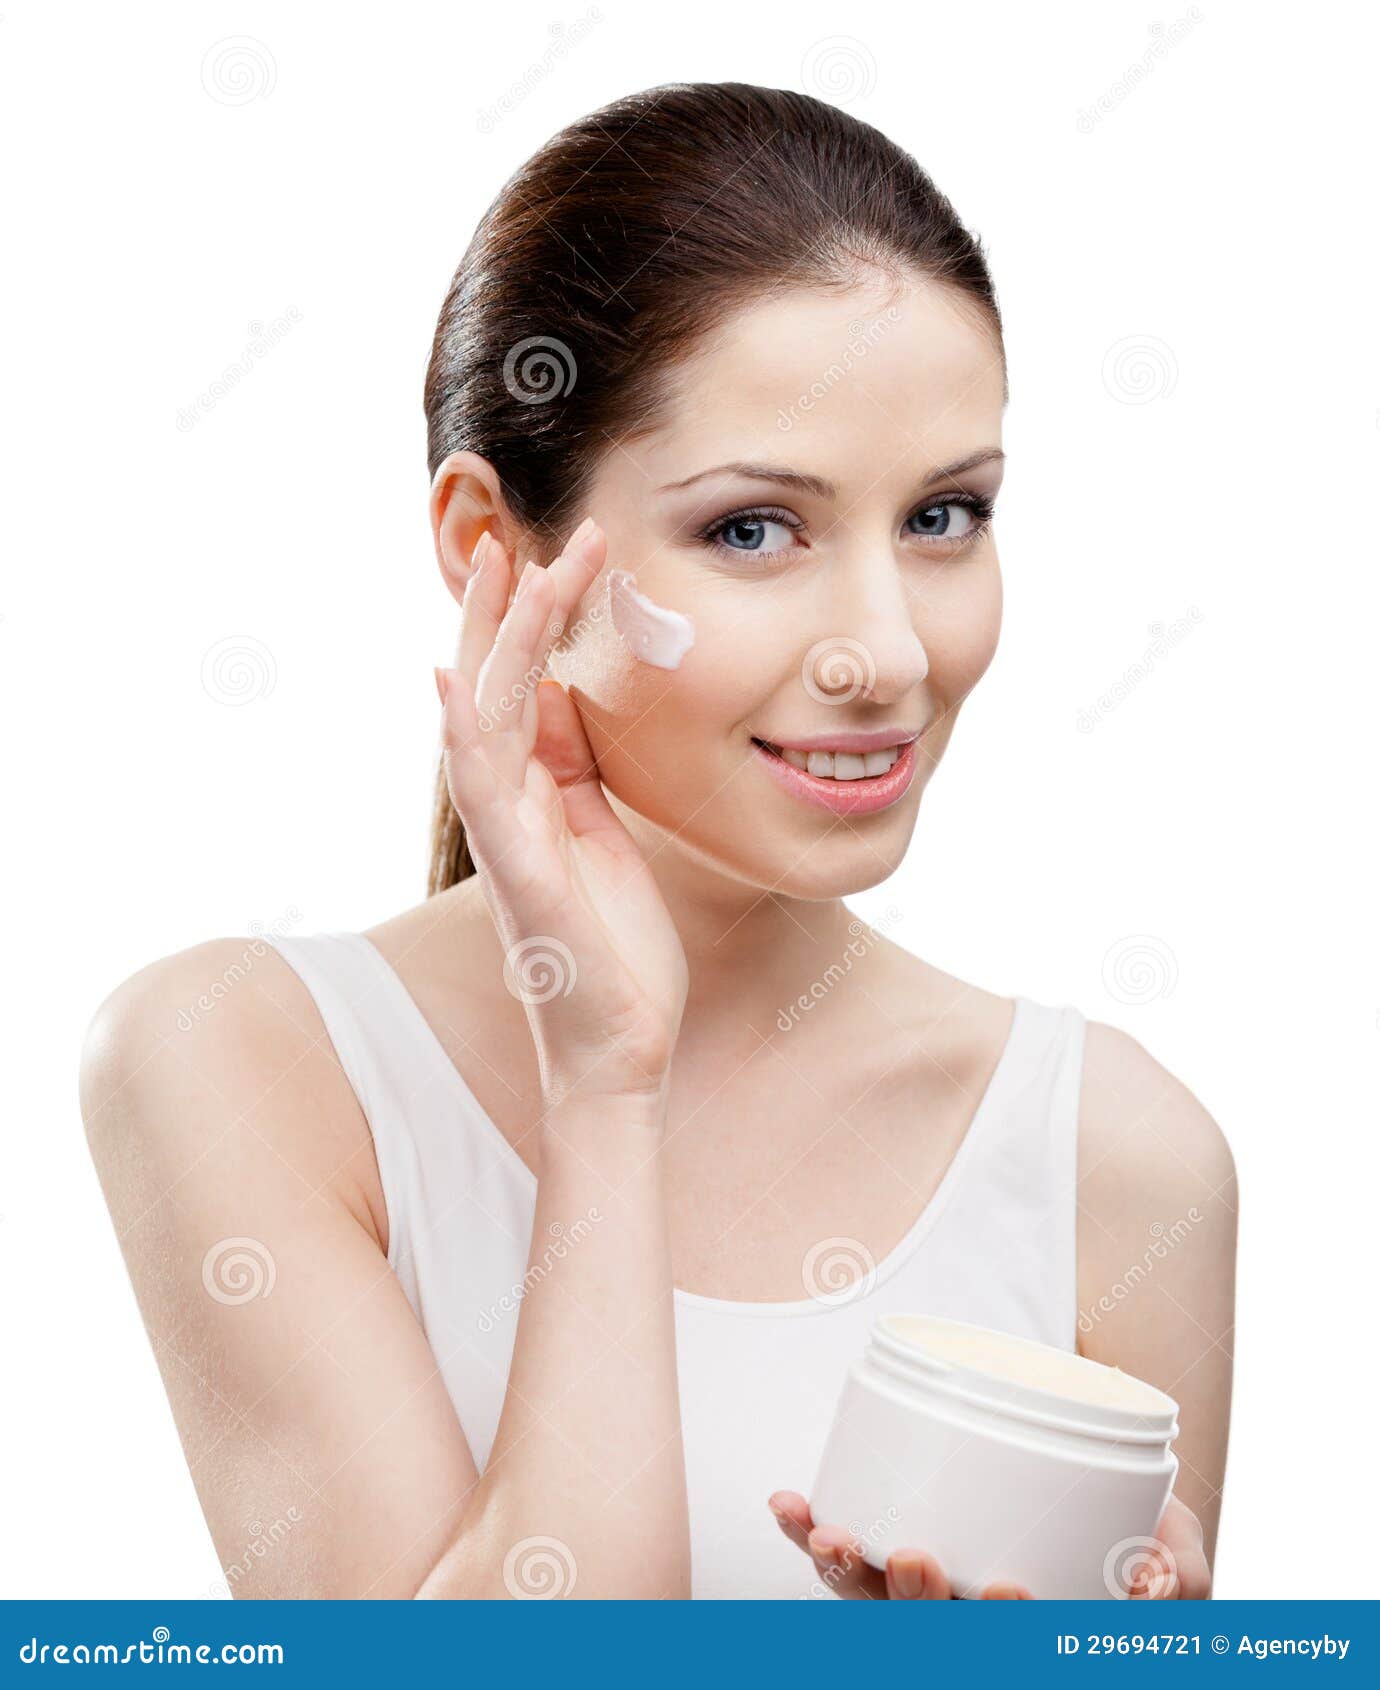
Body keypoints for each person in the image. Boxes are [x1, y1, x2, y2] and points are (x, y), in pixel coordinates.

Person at [80, 81, 1234, 1600]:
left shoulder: (1122, 1156)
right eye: (753, 529)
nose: (889, 651)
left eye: (945, 515)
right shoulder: (243, 1060)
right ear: (493, 549)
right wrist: (604, 1083)